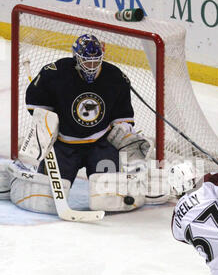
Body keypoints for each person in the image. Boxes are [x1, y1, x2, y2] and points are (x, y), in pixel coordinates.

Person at [9, 34, 151, 214]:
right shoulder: (55, 73)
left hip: (101, 144)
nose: (91, 66)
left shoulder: (115, 77)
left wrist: (122, 129)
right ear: (76, 58)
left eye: (95, 61)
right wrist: (47, 122)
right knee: (44, 200)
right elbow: (35, 103)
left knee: (108, 200)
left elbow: (123, 114)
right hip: (64, 145)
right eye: (86, 61)